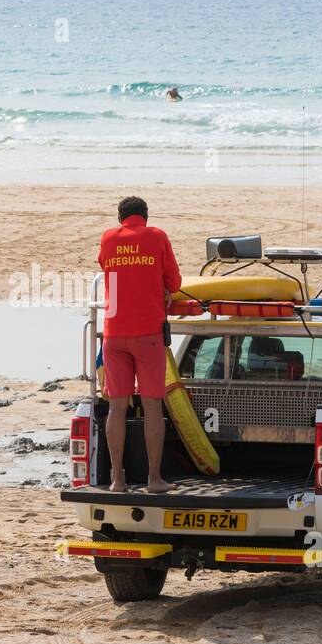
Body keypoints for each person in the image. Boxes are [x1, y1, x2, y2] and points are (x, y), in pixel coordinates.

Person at [97, 196, 181, 493]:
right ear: (145, 216)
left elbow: (107, 266)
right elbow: (175, 280)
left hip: (114, 333)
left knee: (117, 407)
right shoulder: (156, 236)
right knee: (152, 405)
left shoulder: (108, 239)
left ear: (121, 218)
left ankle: (117, 479)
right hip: (147, 334)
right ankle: (154, 479)